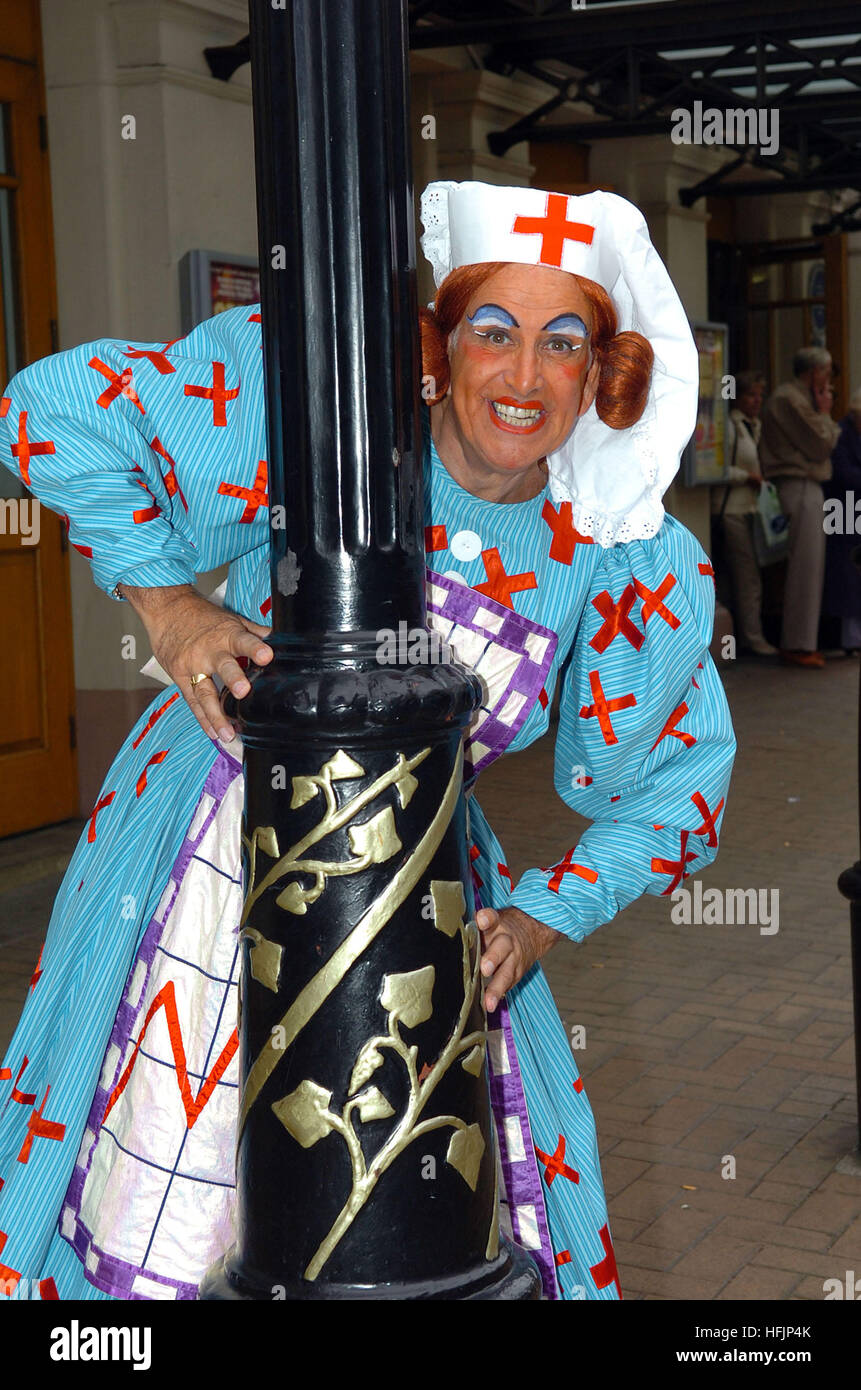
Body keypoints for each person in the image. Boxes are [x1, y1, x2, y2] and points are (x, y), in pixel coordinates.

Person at [0, 181, 736, 1301]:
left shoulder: (619, 556)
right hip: (193, 852)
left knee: (414, 1224)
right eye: (494, 331)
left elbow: (681, 777)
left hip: (420, 891)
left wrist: (546, 911)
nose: (525, 378)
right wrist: (170, 605)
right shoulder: (317, 427)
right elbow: (50, 407)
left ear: (604, 372)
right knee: (149, 1167)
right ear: (443, 343)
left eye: (564, 342)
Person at [759, 346, 841, 668]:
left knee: (808, 567)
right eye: (827, 371)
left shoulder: (794, 398)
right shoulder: (789, 399)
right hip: (798, 484)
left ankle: (801, 640)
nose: (829, 379)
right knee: (804, 568)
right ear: (814, 372)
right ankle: (797, 643)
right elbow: (821, 445)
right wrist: (824, 412)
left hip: (805, 486)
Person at [710, 370, 776, 657]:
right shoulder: (730, 426)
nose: (756, 401)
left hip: (752, 508)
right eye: (751, 395)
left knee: (751, 573)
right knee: (745, 575)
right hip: (732, 509)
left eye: (760, 396)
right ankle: (751, 638)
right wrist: (745, 476)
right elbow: (716, 465)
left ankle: (748, 634)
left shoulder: (755, 425)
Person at [823, 387, 861, 655]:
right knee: (847, 574)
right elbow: (844, 475)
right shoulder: (842, 433)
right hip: (843, 510)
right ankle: (851, 639)